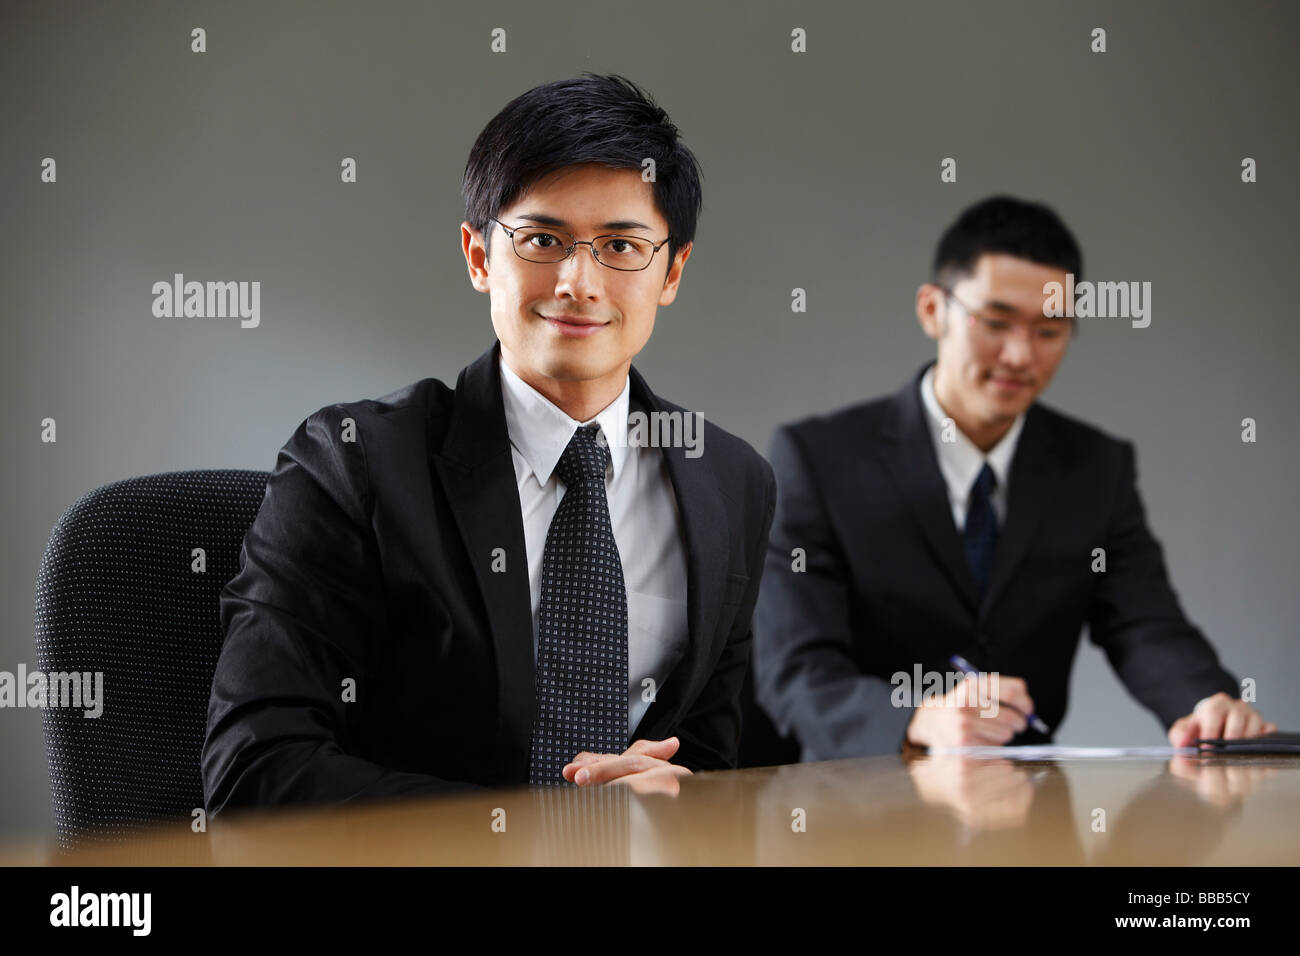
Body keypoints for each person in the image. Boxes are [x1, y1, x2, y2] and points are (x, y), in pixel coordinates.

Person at [202, 74, 775, 812]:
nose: (579, 281)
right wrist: (524, 835)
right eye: (542, 239)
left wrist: (681, 802)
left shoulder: (729, 481)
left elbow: (708, 761)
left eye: (622, 245)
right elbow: (256, 771)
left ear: (672, 272)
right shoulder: (353, 461)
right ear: (479, 257)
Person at [753, 195, 1274, 757]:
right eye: (996, 322)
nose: (1021, 355)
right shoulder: (819, 459)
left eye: (1050, 331)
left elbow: (1145, 625)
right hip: (857, 808)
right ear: (933, 310)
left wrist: (1205, 705)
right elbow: (794, 668)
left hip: (1029, 807)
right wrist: (915, 720)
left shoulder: (1096, 467)